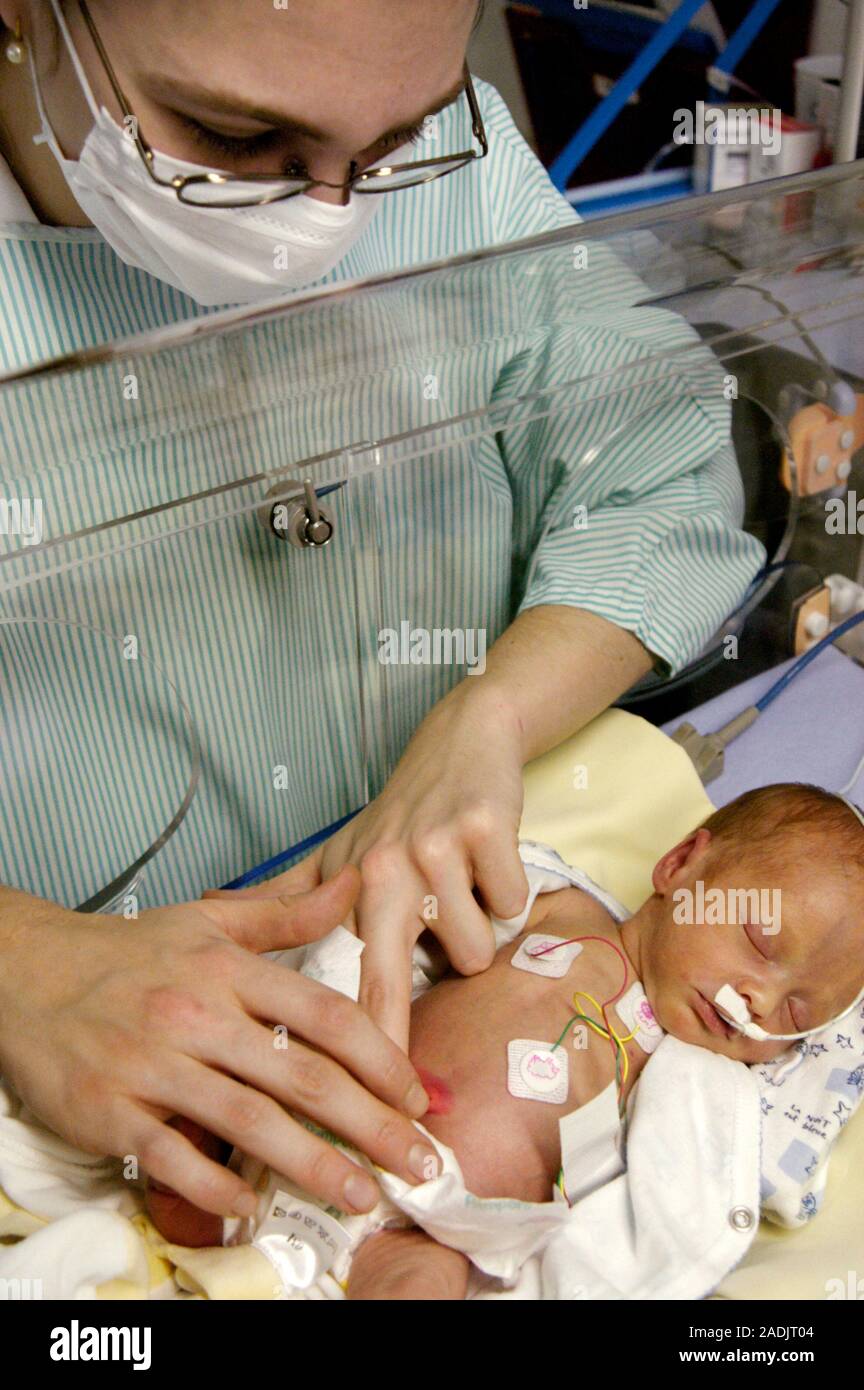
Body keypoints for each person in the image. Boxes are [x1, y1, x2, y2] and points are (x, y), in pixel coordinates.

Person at [0, 0, 765, 1230]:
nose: (330, 220)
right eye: (235, 137)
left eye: (399, 139)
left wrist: (491, 715)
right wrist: (19, 966)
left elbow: (662, 461)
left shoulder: (457, 172)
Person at [146, 781, 864, 1299]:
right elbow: (412, 918)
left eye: (798, 1012)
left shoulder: (685, 1079)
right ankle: (190, 1183)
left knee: (424, 1281)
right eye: (759, 940)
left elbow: (717, 1182)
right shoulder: (557, 905)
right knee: (207, 1129)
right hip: (328, 1107)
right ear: (682, 867)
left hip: (440, 1219)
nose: (759, 1002)